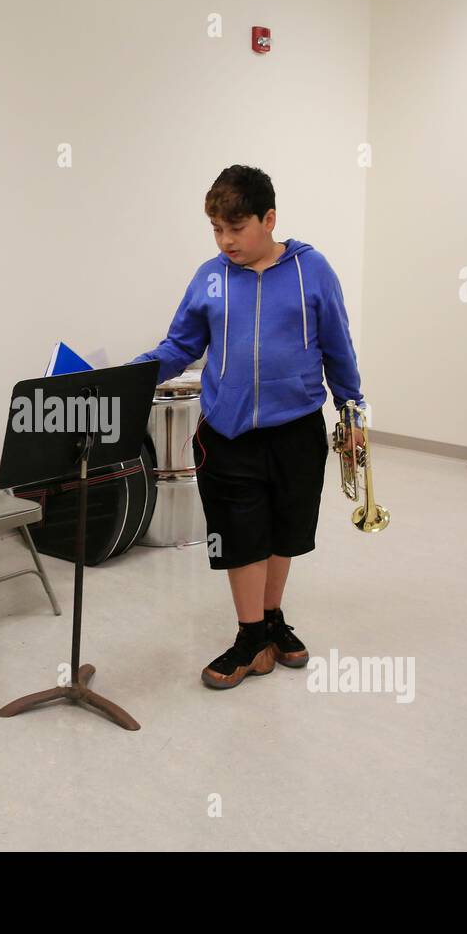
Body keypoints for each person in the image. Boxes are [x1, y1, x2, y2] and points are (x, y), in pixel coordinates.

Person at [131, 165, 367, 689]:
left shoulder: (314, 270)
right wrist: (133, 375)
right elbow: (180, 347)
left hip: (296, 430)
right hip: (227, 432)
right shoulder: (210, 276)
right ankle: (249, 635)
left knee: (284, 530)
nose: (225, 240)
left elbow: (338, 345)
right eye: (216, 228)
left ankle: (271, 620)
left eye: (236, 228)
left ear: (269, 219)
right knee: (239, 536)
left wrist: (353, 409)